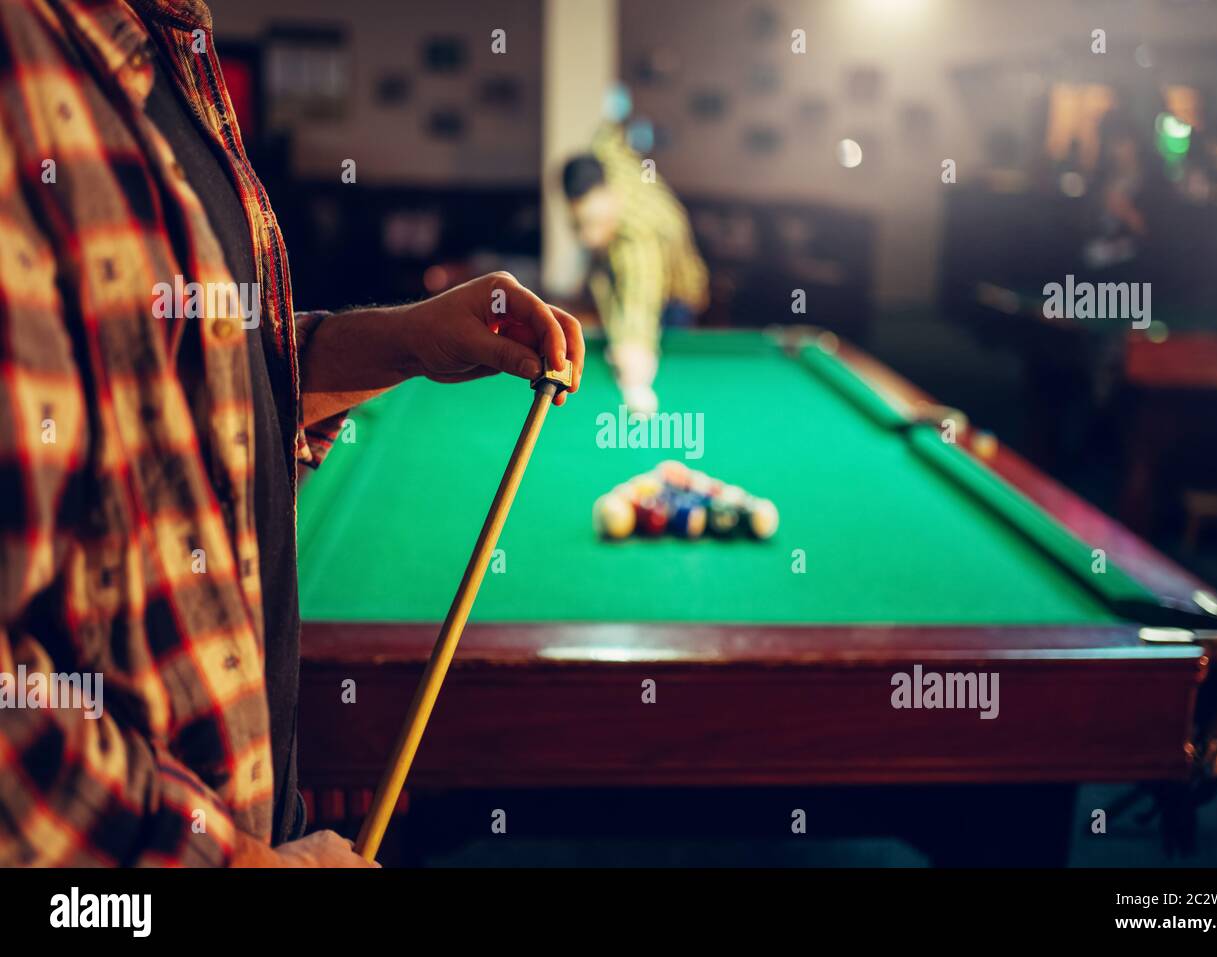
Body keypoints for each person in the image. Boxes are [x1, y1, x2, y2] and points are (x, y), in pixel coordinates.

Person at [0, 0, 582, 867]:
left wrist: (396, 341)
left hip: (255, 799)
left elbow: (174, 392)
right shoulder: (22, 63)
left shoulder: (168, 48)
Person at [562, 123, 708, 415]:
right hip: (637, 268)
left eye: (591, 223)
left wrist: (634, 361)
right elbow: (608, 136)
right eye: (579, 223)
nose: (585, 237)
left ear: (609, 198)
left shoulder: (637, 237)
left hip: (676, 296)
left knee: (660, 363)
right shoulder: (605, 163)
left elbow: (639, 299)